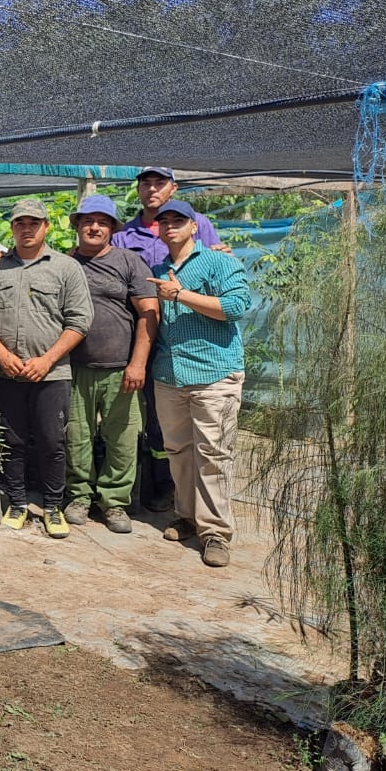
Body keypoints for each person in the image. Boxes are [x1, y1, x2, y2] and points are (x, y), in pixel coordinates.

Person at [111, 166, 229, 512]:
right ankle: (143, 485)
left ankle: (171, 489)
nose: (151, 189)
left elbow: (217, 272)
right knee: (142, 416)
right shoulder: (123, 235)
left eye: (159, 183)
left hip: (186, 338)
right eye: (145, 183)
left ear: (173, 188)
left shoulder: (199, 224)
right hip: (140, 336)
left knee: (176, 424)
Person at [0, 198, 93, 540]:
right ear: (11, 228)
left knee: (51, 441)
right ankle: (16, 503)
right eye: (19, 223)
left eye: (33, 223)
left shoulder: (65, 268)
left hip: (52, 373)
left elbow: (80, 320)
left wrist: (47, 360)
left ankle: (52, 506)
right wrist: (0, 355)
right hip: (8, 372)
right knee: (11, 440)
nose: (26, 229)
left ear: (45, 226)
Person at [146, 200, 250, 568]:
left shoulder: (221, 262)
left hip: (214, 373)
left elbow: (236, 306)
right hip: (170, 374)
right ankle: (188, 517)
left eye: (178, 220)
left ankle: (216, 533)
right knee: (179, 450)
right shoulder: (157, 268)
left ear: (194, 226)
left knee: (213, 454)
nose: (170, 225)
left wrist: (181, 295)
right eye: (164, 221)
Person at [63, 196, 159, 534]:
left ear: (113, 229)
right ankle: (79, 496)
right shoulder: (64, 263)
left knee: (122, 437)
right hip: (73, 368)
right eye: (88, 221)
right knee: (77, 436)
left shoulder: (129, 263)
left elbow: (150, 313)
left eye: (102, 222)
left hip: (121, 368)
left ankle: (115, 502)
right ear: (76, 226)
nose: (94, 227)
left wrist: (138, 363)